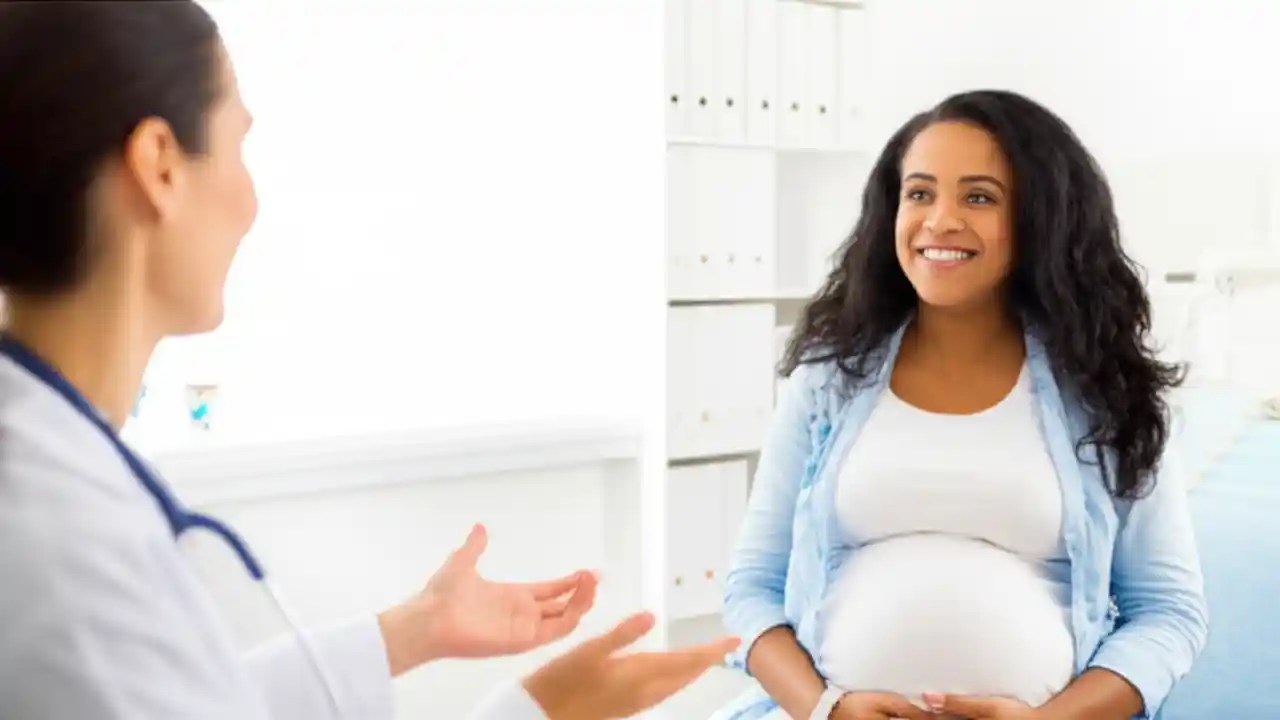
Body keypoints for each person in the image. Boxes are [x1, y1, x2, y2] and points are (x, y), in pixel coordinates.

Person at [0, 3, 737, 719]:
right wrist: (540, 712)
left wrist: (417, 627)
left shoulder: (51, 478)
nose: (251, 198)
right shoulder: (66, 551)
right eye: (238, 145)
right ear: (159, 164)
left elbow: (196, 699)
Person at [715, 90, 1207, 720]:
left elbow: (1169, 613)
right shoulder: (826, 380)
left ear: (1042, 219)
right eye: (919, 193)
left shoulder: (1106, 391)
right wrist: (825, 710)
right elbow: (752, 591)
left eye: (978, 197)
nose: (939, 221)